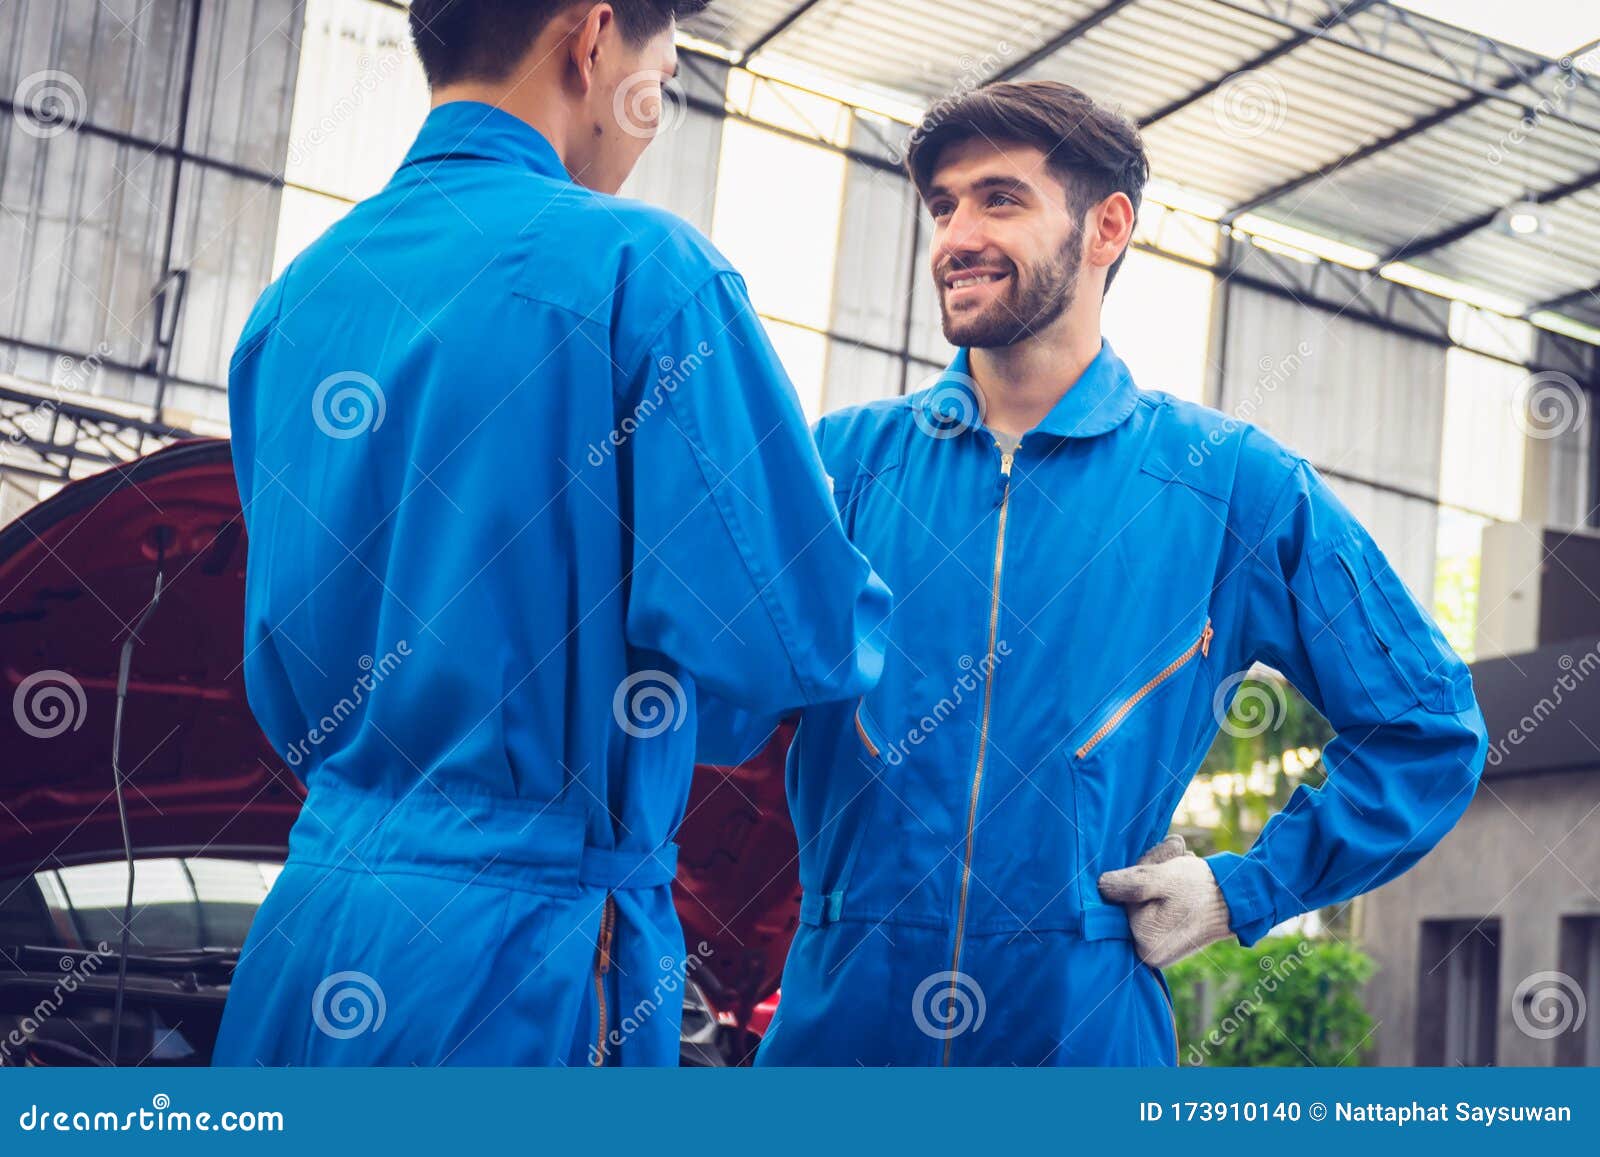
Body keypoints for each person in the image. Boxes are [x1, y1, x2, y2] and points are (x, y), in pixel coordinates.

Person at [752, 80, 1487, 1066]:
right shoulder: (838, 466)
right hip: (837, 1041)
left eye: (998, 199)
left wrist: (1243, 887)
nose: (954, 236)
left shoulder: (1226, 484)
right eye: (942, 206)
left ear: (1106, 227)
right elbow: (702, 701)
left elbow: (1427, 725)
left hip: (1080, 1042)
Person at [214, 0, 889, 1067]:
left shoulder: (295, 301)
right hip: (524, 966)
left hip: (308, 932)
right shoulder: (643, 272)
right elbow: (790, 635)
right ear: (591, 40)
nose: (652, 117)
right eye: (660, 82)